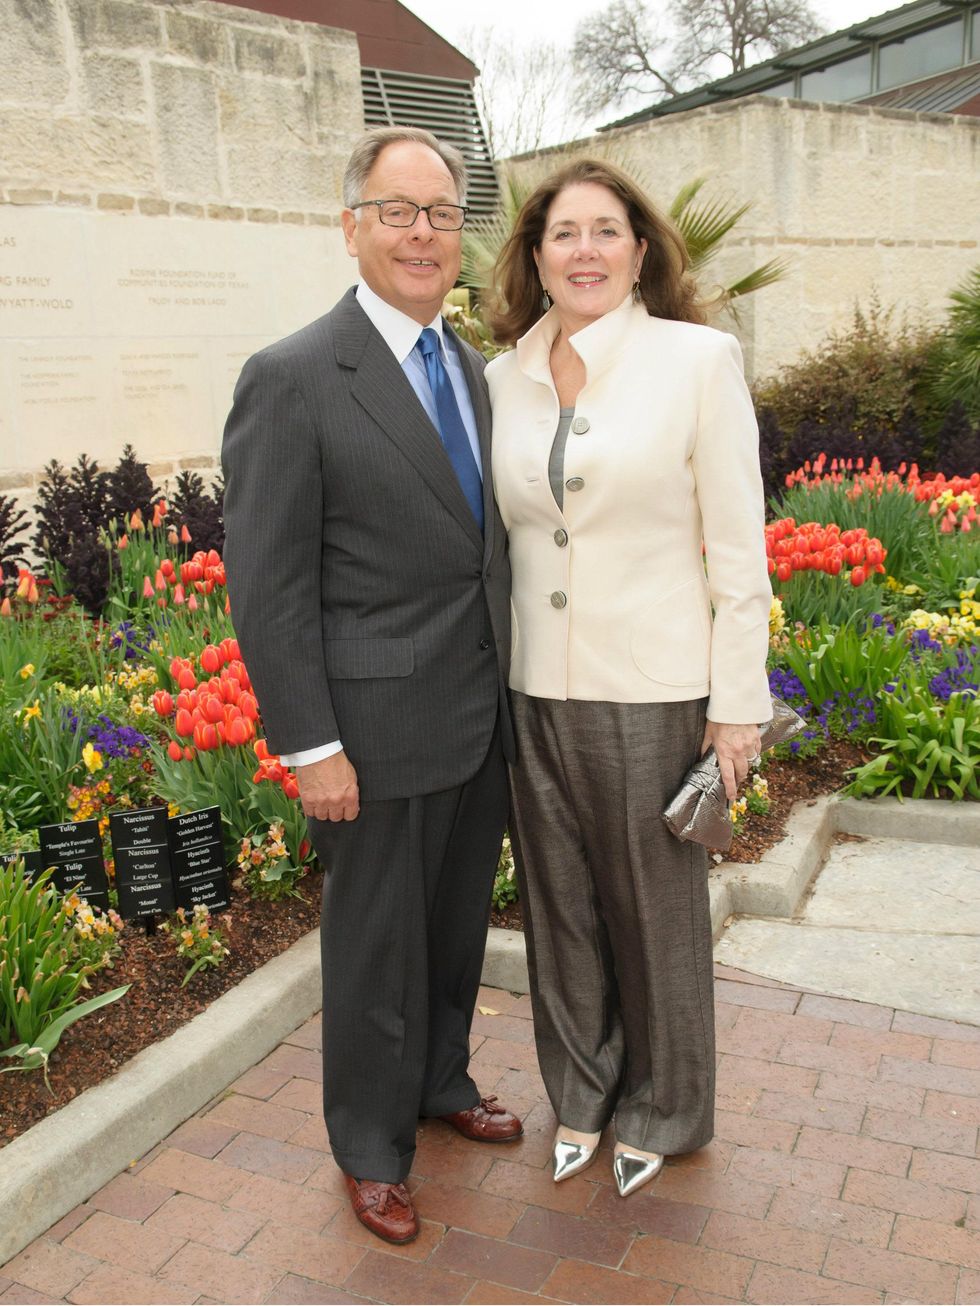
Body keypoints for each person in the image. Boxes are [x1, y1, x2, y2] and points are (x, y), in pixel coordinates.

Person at [221, 126, 522, 1247]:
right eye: (397, 211)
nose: (422, 234)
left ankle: (440, 1081)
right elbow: (268, 585)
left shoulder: (474, 372)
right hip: (371, 729)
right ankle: (369, 1146)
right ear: (351, 226)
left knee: (452, 931)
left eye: (440, 214)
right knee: (373, 952)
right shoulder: (293, 377)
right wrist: (310, 746)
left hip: (476, 719)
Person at [486, 158, 771, 1198]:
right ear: (535, 257)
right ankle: (582, 1093)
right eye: (563, 233)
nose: (585, 251)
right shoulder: (501, 378)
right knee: (559, 908)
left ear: (640, 250)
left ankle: (664, 1106)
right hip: (532, 687)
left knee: (654, 914)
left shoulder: (696, 361)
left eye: (605, 230)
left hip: (652, 689)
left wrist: (736, 708)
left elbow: (738, 551)